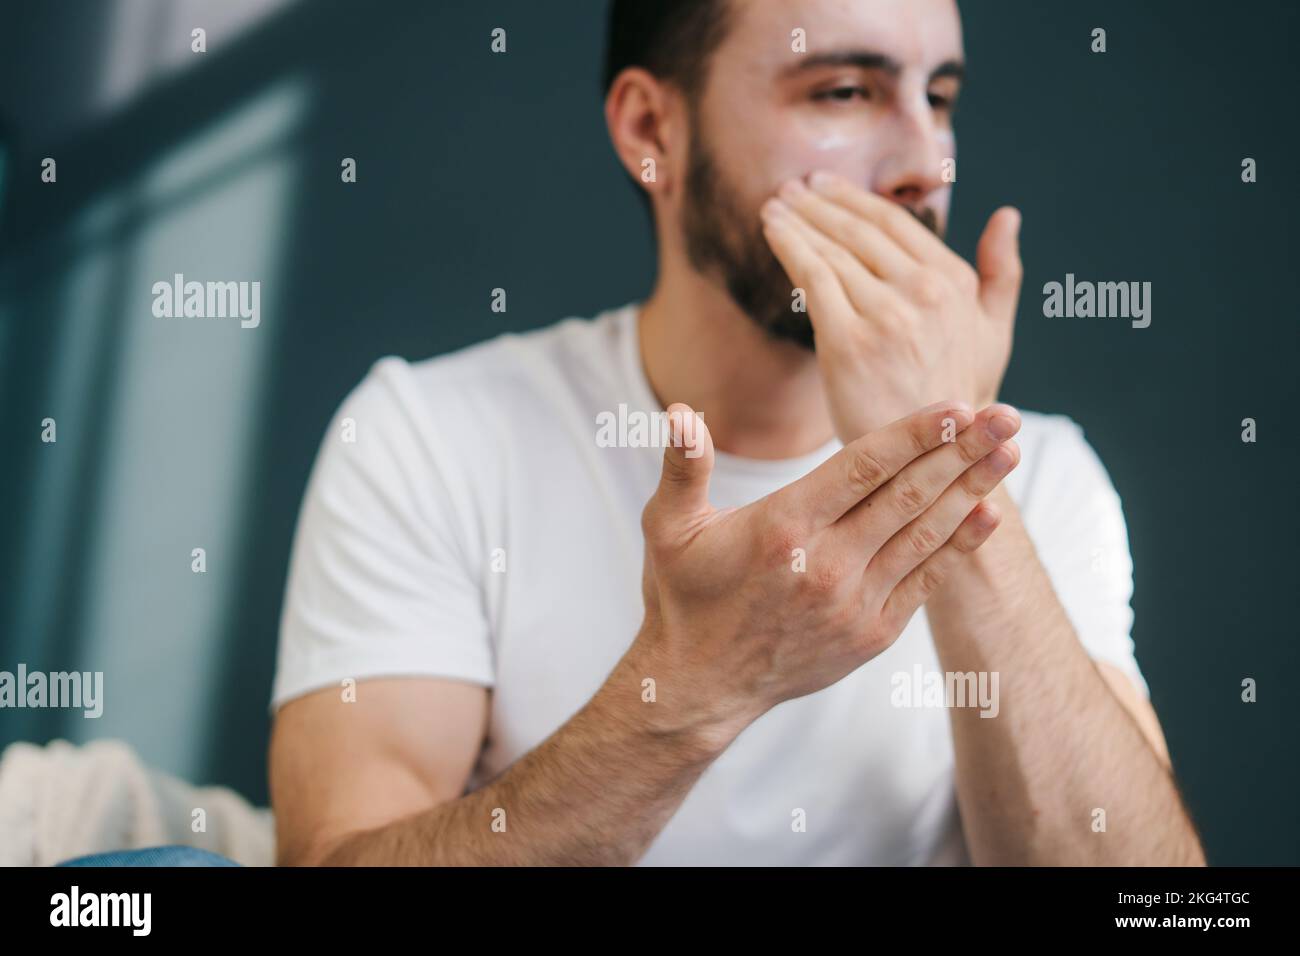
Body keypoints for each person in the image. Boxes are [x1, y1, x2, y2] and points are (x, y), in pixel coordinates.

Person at [268, 0, 1205, 866]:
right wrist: (691, 687)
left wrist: (954, 467)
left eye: (941, 97)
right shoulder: (430, 438)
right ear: (652, 131)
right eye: (844, 91)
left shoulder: (1037, 475)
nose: (929, 162)